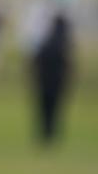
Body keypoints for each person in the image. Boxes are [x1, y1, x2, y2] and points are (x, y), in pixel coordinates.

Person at [30, 12, 73, 146]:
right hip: (57, 82)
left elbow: (36, 60)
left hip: (43, 81)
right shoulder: (64, 44)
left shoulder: (46, 41)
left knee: (44, 108)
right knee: (55, 109)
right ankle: (51, 133)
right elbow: (67, 65)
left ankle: (45, 133)